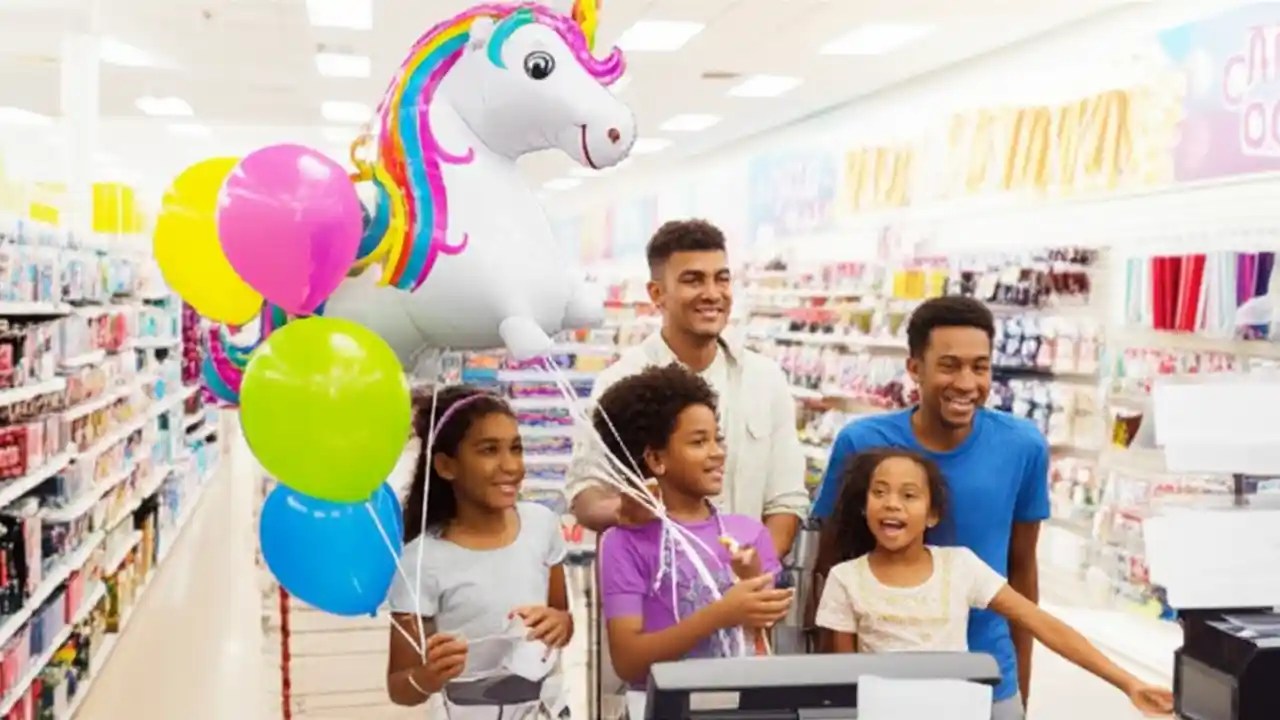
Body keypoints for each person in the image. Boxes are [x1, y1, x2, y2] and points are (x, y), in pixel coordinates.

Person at [810, 296, 1047, 715]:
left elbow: (1023, 570)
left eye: (980, 367)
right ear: (914, 368)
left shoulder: (1022, 446)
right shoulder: (862, 443)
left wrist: (1021, 693)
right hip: (880, 686)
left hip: (991, 680)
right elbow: (829, 564)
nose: (967, 383)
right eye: (949, 365)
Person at [814, 448, 1175, 718]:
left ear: (932, 514)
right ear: (864, 507)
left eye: (909, 495)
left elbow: (1042, 624)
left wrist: (1128, 683)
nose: (892, 504)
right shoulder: (846, 579)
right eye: (879, 492)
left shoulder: (959, 566)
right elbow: (845, 681)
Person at [567, 219, 808, 558]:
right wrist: (621, 510)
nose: (712, 293)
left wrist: (753, 569)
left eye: (721, 278)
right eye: (693, 280)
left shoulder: (765, 380)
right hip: (653, 585)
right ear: (657, 294)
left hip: (747, 582)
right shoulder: (620, 382)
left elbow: (786, 500)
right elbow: (585, 491)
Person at [594, 365, 794, 692]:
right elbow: (629, 662)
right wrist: (719, 614)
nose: (718, 453)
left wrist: (753, 580)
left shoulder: (748, 534)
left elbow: (760, 638)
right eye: (700, 442)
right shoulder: (624, 543)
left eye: (718, 439)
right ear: (656, 459)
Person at [385, 386, 573, 716]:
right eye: (489, 450)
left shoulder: (542, 525)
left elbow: (562, 617)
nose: (510, 465)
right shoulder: (419, 562)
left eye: (516, 448)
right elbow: (400, 687)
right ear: (446, 466)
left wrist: (561, 623)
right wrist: (428, 676)